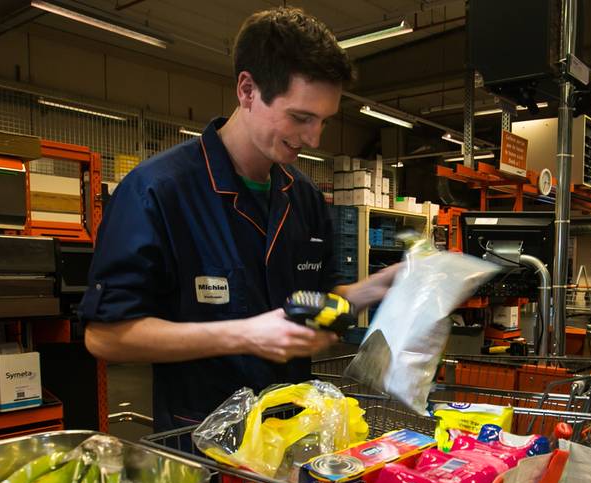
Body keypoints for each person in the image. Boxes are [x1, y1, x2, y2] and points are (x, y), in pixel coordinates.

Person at [81, 8, 396, 431]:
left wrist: (367, 291)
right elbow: (105, 336)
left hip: (292, 441)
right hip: (202, 447)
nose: (314, 139)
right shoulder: (157, 192)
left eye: (324, 121)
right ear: (247, 90)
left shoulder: (302, 198)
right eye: (300, 117)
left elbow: (311, 303)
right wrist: (245, 334)